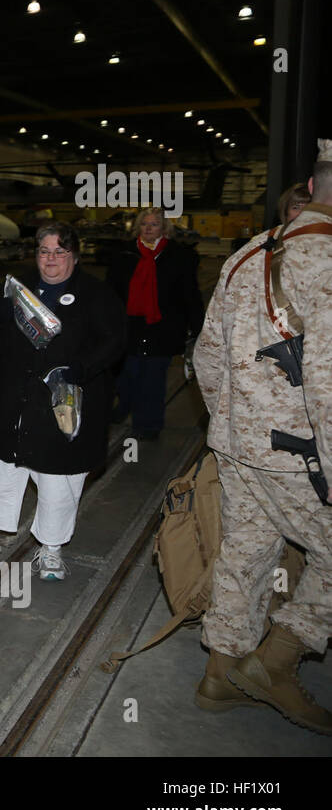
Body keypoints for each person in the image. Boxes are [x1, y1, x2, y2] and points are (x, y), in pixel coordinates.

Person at [193, 151, 332, 735]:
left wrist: (230, 422)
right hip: (297, 452)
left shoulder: (247, 253)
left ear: (308, 186)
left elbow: (205, 356)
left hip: (238, 443)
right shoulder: (326, 258)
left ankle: (220, 674)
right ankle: (273, 664)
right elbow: (326, 380)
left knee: (245, 552)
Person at [0, 222, 125, 582]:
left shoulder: (95, 294)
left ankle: (51, 549)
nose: (51, 259)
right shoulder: (15, 288)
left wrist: (81, 368)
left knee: (58, 479)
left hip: (62, 403)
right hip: (13, 400)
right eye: (44, 251)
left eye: (59, 252)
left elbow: (115, 342)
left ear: (74, 256)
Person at [106, 207, 204, 440]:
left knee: (152, 380)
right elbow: (110, 292)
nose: (149, 229)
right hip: (129, 328)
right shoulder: (124, 255)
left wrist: (199, 328)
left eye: (154, 225)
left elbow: (190, 295)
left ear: (164, 228)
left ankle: (148, 426)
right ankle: (125, 405)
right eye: (144, 224)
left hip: (163, 329)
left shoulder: (180, 257)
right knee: (127, 376)